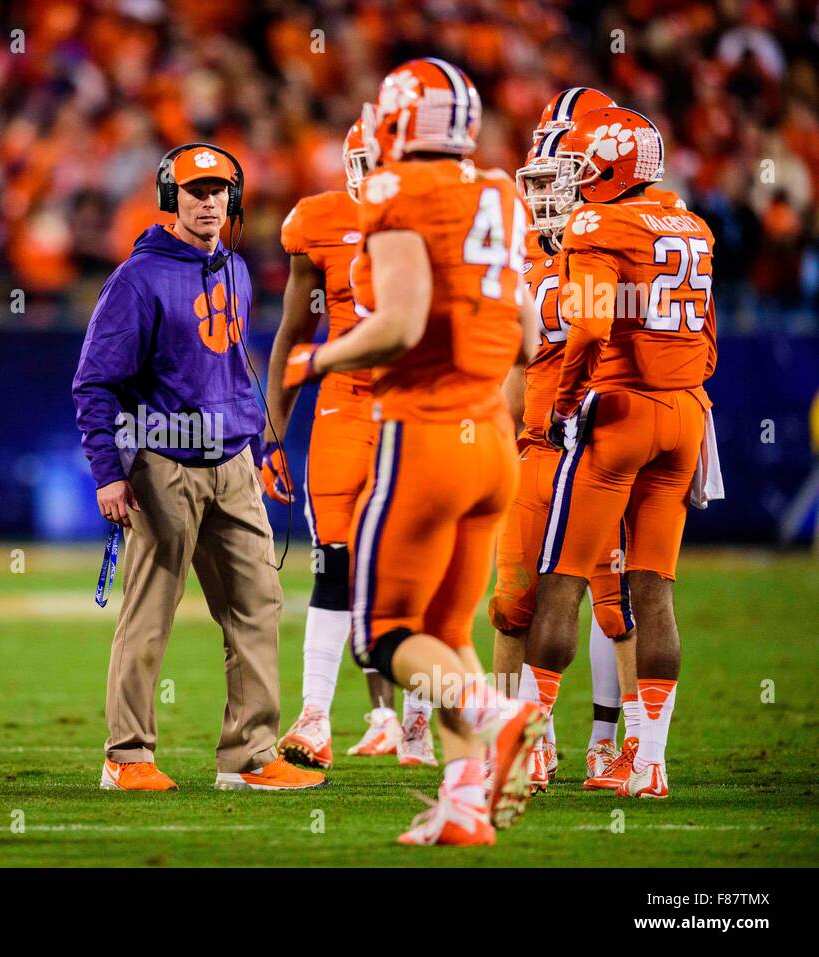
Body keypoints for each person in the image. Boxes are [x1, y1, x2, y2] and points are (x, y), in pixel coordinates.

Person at [283, 58, 546, 845]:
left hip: (424, 432)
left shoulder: (400, 192)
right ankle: (465, 804)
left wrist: (318, 360)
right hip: (492, 441)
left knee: (385, 633)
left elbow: (397, 323)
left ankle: (497, 714)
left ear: (400, 122)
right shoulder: (500, 192)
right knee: (450, 631)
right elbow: (531, 340)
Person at [74, 142, 324, 792]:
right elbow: (94, 383)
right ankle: (126, 756)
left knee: (259, 604)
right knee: (149, 614)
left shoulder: (236, 268)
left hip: (232, 464)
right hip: (165, 465)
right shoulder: (137, 278)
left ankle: (248, 756)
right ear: (170, 198)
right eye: (195, 190)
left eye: (219, 190)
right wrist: (109, 471)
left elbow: (235, 368)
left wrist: (262, 445)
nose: (208, 200)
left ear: (233, 199)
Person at [521, 106, 717, 801]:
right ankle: (651, 762)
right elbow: (708, 339)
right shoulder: (692, 225)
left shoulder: (596, 223)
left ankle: (526, 751)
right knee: (653, 588)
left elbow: (590, 325)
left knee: (563, 579)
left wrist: (566, 402)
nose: (573, 177)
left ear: (611, 165)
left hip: (622, 409)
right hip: (686, 413)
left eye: (580, 163)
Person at [490, 87, 638, 794]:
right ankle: (522, 738)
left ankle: (612, 741)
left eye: (556, 182)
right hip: (533, 446)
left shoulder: (606, 244)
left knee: (610, 598)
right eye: (537, 184)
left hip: (600, 445)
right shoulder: (519, 254)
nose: (545, 197)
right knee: (512, 602)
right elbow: (508, 365)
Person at [265, 118, 420, 770]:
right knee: (333, 560)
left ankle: (414, 719)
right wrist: (272, 434)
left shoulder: (441, 217)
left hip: (415, 412)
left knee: (414, 572)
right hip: (343, 409)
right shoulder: (321, 222)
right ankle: (317, 714)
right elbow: (294, 330)